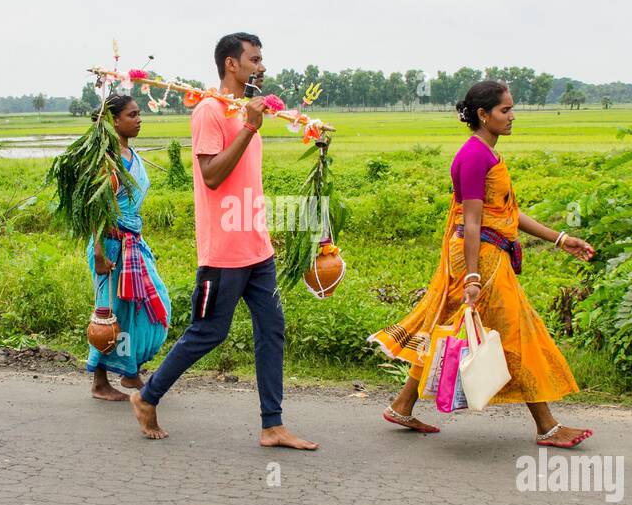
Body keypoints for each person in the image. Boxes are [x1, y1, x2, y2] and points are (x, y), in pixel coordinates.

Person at [368, 80, 597, 447]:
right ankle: (547, 426)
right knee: (515, 333)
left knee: (448, 328)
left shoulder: (488, 154)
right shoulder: (475, 156)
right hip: (482, 259)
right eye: (505, 110)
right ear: (482, 115)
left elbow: (507, 214)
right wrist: (473, 275)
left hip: (485, 255)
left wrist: (561, 239)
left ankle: (402, 404)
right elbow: (472, 221)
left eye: (511, 109)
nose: (512, 116)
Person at [129, 32, 318, 449]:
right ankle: (147, 395)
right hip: (223, 253)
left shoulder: (244, 110)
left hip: (257, 248)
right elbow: (212, 176)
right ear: (232, 64)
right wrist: (249, 128)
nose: (262, 67)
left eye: (261, 59)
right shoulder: (210, 113)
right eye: (254, 59)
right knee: (209, 332)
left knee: (272, 330)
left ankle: (272, 424)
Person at [86, 95, 171, 401]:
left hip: (133, 243)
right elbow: (93, 207)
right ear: (114, 121)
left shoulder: (129, 153)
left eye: (139, 114)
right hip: (109, 245)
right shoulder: (106, 159)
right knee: (111, 313)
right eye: (132, 115)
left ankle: (130, 370)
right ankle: (100, 381)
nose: (139, 119)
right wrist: (98, 251)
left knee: (148, 304)